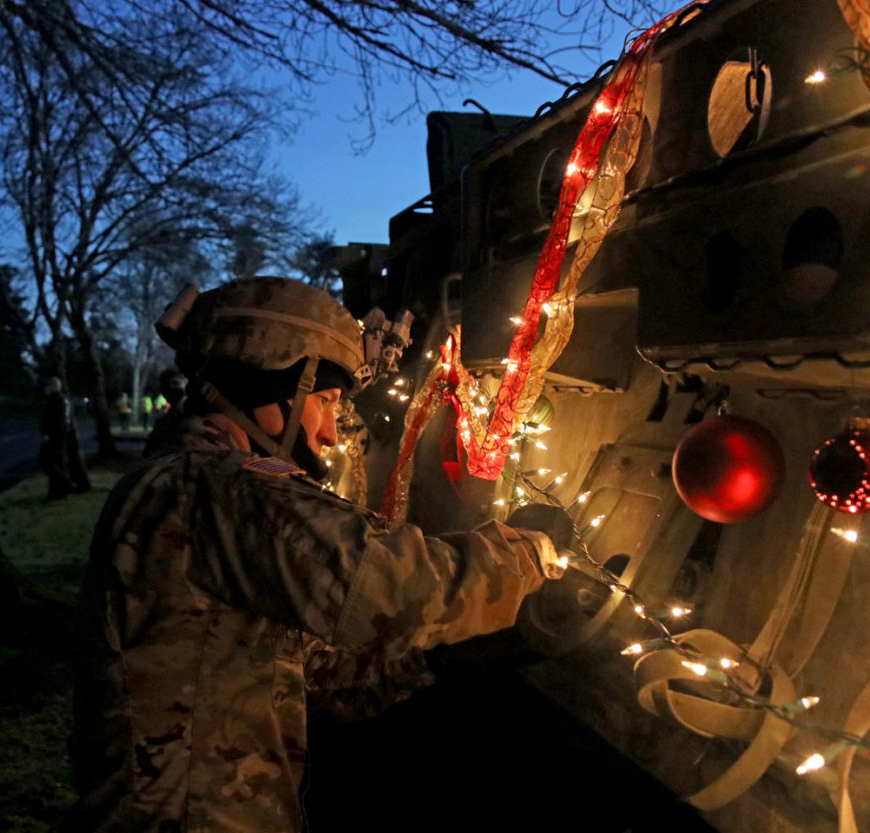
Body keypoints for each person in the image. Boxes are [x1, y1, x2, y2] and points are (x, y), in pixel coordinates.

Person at [66, 277, 568, 833]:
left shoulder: (186, 481)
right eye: (325, 401)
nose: (330, 433)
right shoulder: (219, 488)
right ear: (270, 384)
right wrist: (529, 553)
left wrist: (438, 659)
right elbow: (388, 585)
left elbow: (313, 667)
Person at [39, 376, 91, 500]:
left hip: (56, 437)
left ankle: (63, 485)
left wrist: (47, 434)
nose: (45, 390)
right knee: (57, 463)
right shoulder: (64, 400)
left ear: (51, 388)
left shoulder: (56, 401)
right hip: (64, 437)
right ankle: (60, 490)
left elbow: (55, 421)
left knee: (48, 462)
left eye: (46, 387)